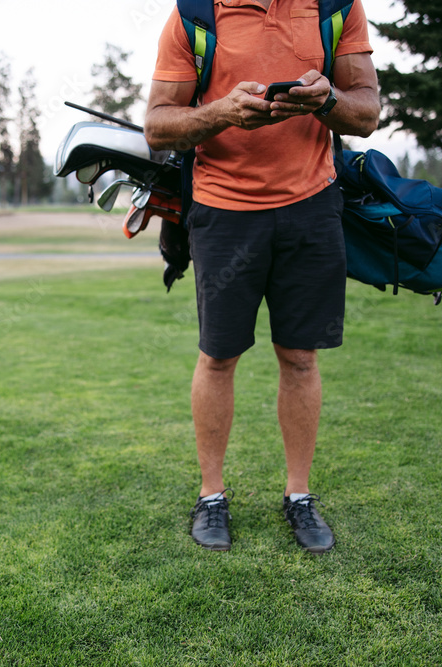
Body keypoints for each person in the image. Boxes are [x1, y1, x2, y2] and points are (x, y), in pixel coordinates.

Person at [144, 0, 380, 554]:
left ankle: (299, 496)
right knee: (217, 357)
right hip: (223, 212)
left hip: (312, 209)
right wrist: (222, 112)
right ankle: (211, 496)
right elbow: (157, 125)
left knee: (301, 357)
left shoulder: (337, 7)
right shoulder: (195, 13)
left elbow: (367, 114)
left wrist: (326, 99)